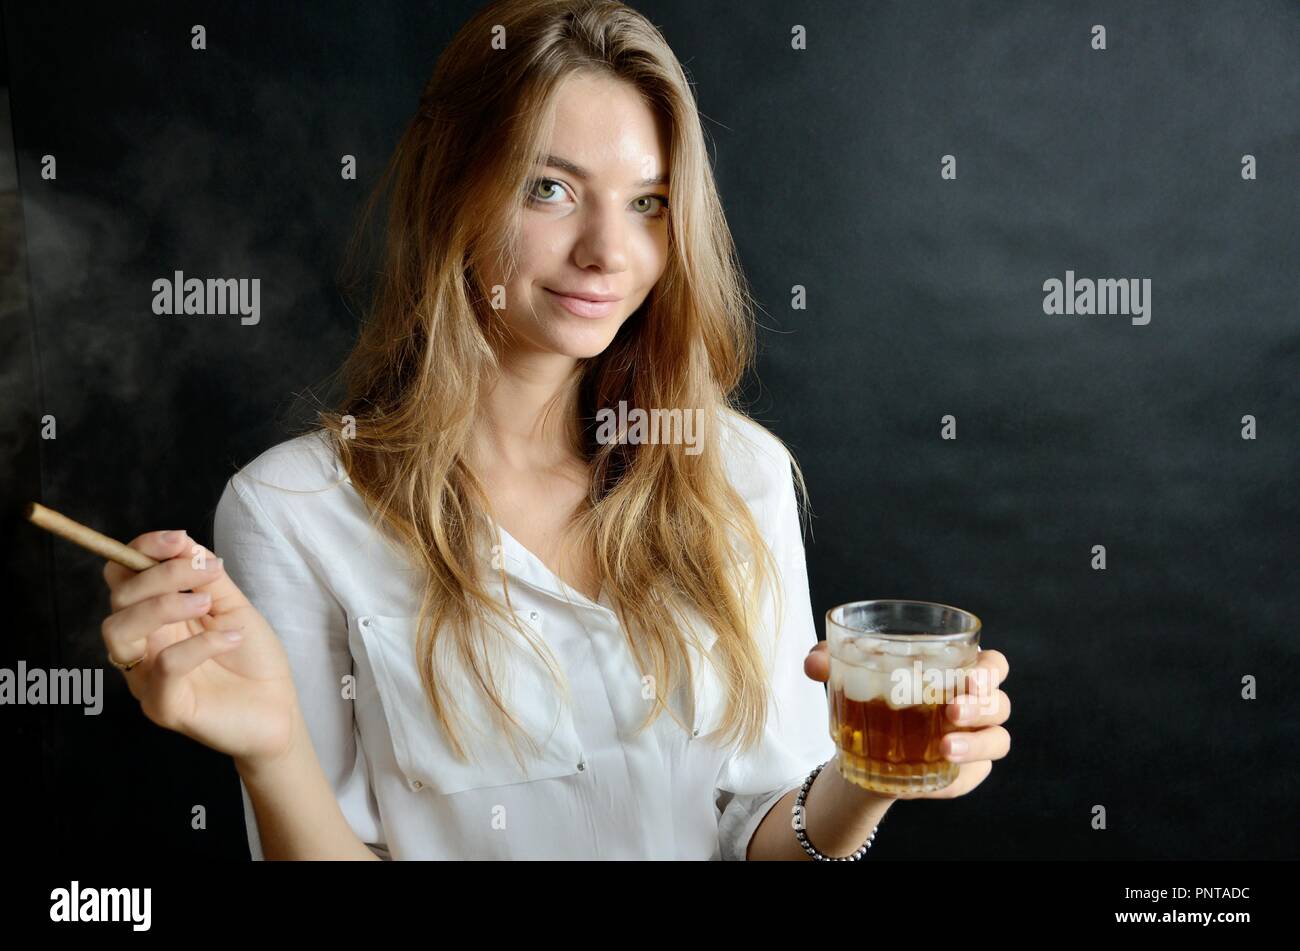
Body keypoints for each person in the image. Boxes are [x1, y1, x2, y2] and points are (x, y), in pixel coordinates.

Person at [99, 0, 1011, 860]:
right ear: (453, 193)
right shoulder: (289, 510)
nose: (607, 252)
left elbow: (763, 834)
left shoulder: (738, 472)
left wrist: (865, 779)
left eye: (648, 203)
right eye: (550, 189)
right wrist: (272, 751)